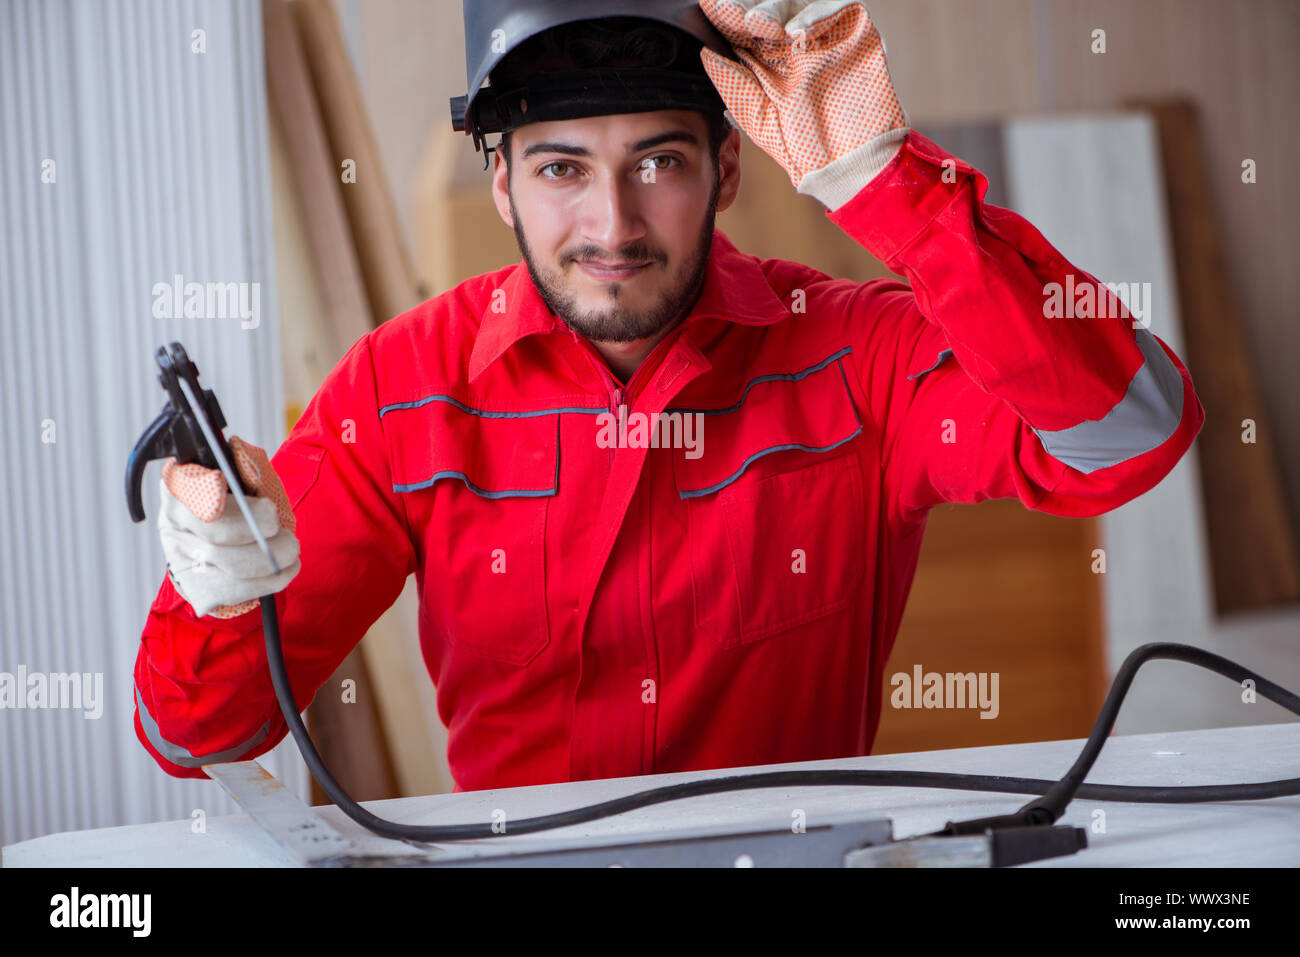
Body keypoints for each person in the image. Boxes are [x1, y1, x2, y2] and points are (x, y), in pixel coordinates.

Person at [135, 1, 1204, 792]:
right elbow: (197, 739)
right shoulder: (401, 389)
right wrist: (221, 591)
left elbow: (1125, 438)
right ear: (500, 182)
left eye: (657, 162)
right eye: (561, 170)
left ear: (728, 170)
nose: (612, 225)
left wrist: (890, 184)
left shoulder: (852, 354)